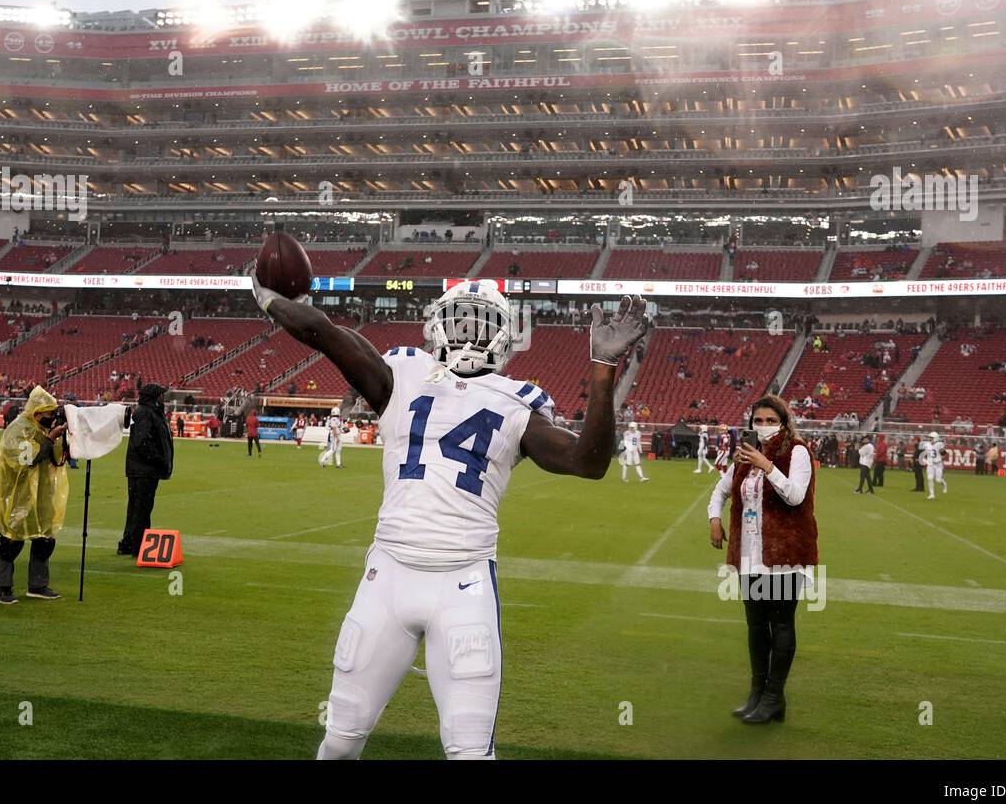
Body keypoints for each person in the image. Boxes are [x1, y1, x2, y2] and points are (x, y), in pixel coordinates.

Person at [251, 271, 646, 759]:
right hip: (397, 575)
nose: (467, 334)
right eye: (461, 323)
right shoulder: (416, 380)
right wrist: (272, 299)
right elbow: (326, 334)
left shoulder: (487, 397)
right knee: (342, 736)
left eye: (476, 325)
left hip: (458, 581)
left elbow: (589, 462)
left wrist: (602, 366)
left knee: (464, 749)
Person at [708, 395, 817, 726]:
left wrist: (767, 467)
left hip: (784, 554)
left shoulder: (796, 451)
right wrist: (715, 518)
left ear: (783, 422)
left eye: (771, 421)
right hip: (750, 554)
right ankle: (757, 693)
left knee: (781, 624)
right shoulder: (744, 455)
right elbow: (721, 490)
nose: (764, 426)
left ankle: (774, 698)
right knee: (756, 626)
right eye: (759, 420)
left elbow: (796, 496)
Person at [0, 386, 69, 604]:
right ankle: (2, 588)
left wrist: (62, 439)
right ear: (37, 412)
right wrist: (50, 438)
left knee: (44, 539)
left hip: (43, 493)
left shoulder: (42, 429)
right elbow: (27, 458)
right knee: (11, 541)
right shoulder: (18, 428)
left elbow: (56, 458)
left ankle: (38, 586)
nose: (52, 418)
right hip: (17, 494)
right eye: (49, 414)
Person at [118, 384, 175, 557]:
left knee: (139, 508)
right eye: (160, 395)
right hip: (143, 469)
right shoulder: (144, 412)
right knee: (141, 509)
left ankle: (129, 542)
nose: (163, 398)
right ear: (155, 397)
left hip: (145, 469)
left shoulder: (150, 412)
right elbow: (142, 443)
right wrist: (159, 459)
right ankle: (137, 545)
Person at [921, 431, 947, 499]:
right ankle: (932, 494)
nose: (930, 439)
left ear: (936, 438)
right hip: (930, 464)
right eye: (929, 438)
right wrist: (925, 459)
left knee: (938, 480)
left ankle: (944, 484)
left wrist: (941, 458)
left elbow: (944, 453)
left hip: (938, 464)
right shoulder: (927, 444)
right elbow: (926, 453)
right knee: (930, 478)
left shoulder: (939, 444)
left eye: (931, 438)